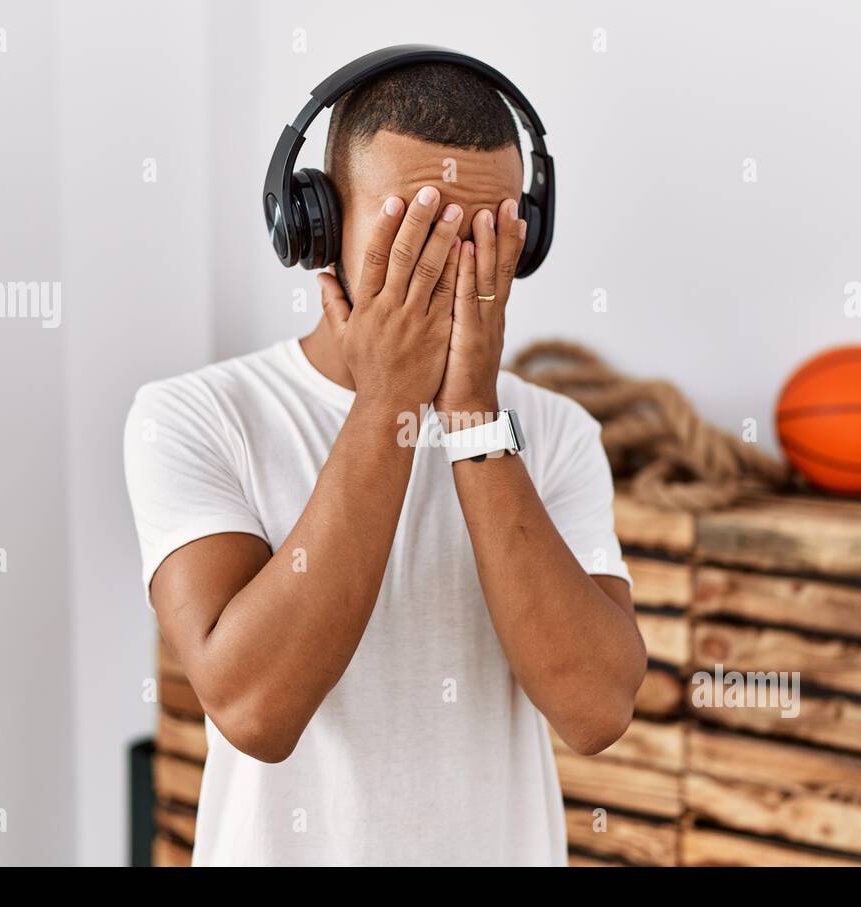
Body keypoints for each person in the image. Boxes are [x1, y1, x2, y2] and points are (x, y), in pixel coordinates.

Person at [124, 59, 645, 866]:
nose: (451, 270)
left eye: (485, 238)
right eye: (416, 235)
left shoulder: (557, 431)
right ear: (316, 232)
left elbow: (595, 708)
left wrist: (471, 415)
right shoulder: (192, 416)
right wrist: (388, 405)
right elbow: (257, 709)